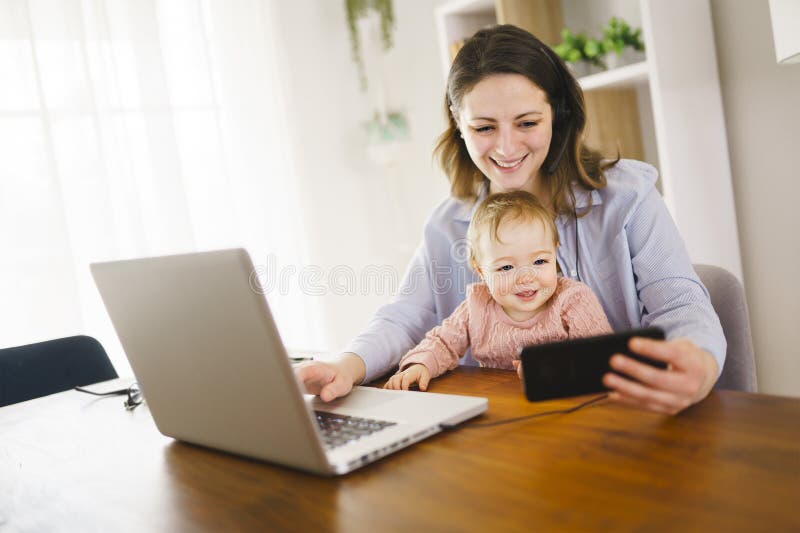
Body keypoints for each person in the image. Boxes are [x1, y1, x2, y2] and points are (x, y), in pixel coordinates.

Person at [296, 24, 725, 415]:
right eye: (484, 128)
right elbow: (402, 318)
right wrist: (345, 364)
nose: (505, 147)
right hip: (507, 428)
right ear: (459, 127)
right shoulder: (447, 225)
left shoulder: (628, 197)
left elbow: (680, 304)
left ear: (556, 116)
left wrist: (699, 364)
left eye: (527, 122)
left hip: (620, 416)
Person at [384, 190, 612, 391]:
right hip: (502, 405)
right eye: (506, 267)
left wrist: (555, 366)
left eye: (540, 262)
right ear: (481, 272)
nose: (526, 277)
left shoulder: (572, 299)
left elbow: (604, 356)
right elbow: (443, 342)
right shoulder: (477, 306)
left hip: (568, 402)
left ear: (555, 254)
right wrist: (421, 364)